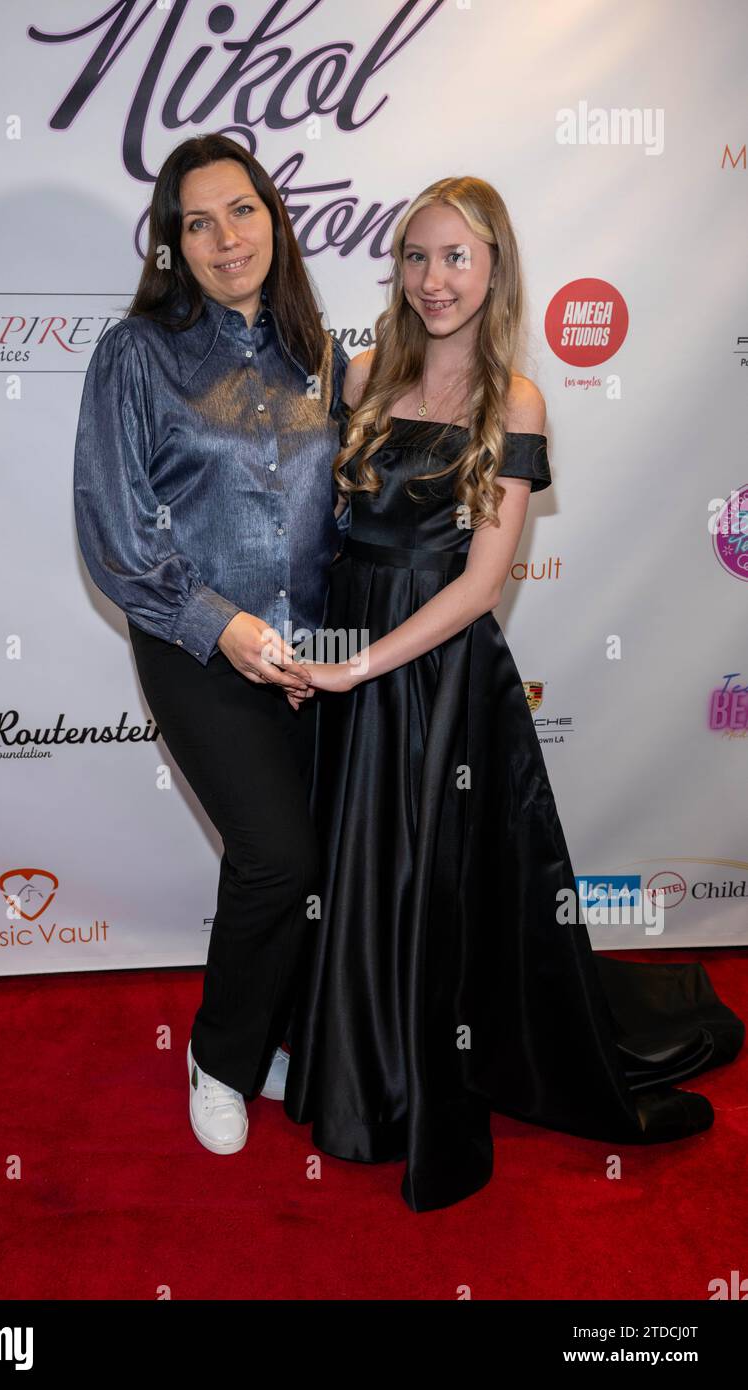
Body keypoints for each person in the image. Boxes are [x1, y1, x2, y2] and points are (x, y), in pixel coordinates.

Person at [281, 176, 744, 1213]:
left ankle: (403, 1077)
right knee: (346, 858)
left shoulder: (514, 402)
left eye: (456, 257)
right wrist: (314, 652)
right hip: (348, 645)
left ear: (494, 272)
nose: (434, 279)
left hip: (436, 679)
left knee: (424, 876)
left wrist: (360, 664)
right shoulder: (355, 373)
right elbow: (321, 540)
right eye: (416, 256)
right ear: (394, 272)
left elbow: (483, 584)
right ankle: (338, 1055)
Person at [73, 133, 346, 1157]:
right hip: (193, 647)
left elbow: (342, 514)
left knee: (302, 863)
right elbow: (114, 524)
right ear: (170, 243)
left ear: (273, 218)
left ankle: (277, 1029)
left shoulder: (322, 357)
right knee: (279, 856)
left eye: (242, 211)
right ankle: (218, 1056)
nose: (226, 237)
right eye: (198, 221)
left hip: (312, 656)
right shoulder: (135, 356)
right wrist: (220, 625)